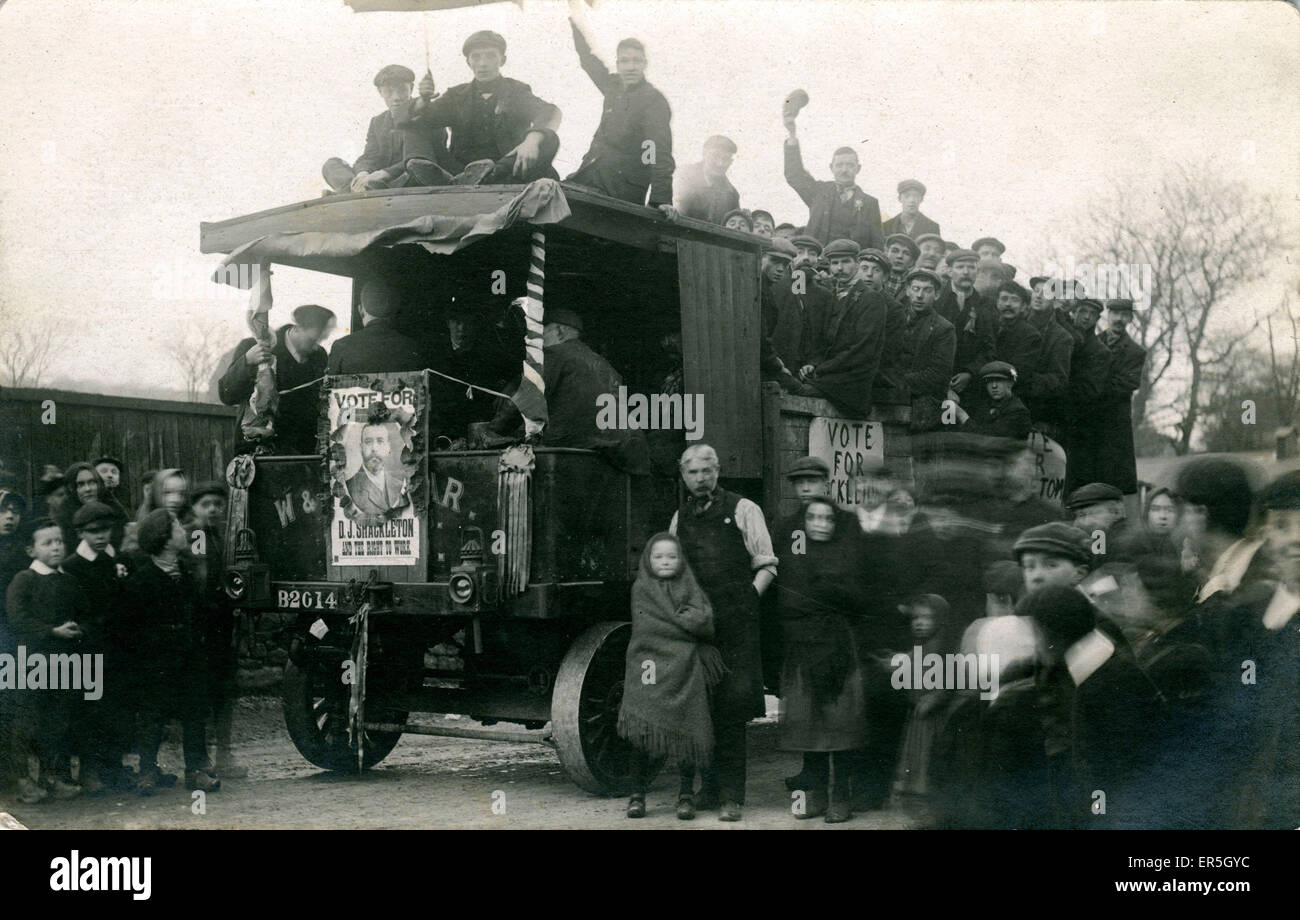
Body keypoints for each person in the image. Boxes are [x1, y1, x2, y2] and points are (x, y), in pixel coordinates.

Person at [669, 444, 776, 821]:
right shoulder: (679, 518)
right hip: (697, 631)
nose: (700, 479)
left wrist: (748, 598)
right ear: (684, 476)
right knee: (701, 710)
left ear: (717, 472)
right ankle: (708, 789)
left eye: (706, 471)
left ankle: (732, 796)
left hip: (735, 628)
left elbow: (766, 565)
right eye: (693, 473)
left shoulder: (744, 510)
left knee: (731, 710)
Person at [617, 532, 725, 820]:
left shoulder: (689, 585)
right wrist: (683, 622)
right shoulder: (642, 588)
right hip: (648, 664)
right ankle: (637, 794)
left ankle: (686, 794)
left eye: (672, 556)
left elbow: (705, 619)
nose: (665, 562)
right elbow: (650, 628)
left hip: (683, 667)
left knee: (686, 731)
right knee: (642, 730)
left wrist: (682, 623)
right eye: (658, 556)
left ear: (681, 560)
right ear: (648, 561)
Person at [775, 497, 870, 823]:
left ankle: (840, 796)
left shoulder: (848, 555)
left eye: (826, 518)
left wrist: (825, 592)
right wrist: (827, 593)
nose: (819, 523)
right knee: (810, 726)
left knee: (839, 725)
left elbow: (858, 600)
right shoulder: (795, 556)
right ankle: (814, 795)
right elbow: (787, 599)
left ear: (834, 524)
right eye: (812, 517)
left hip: (839, 649)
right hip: (803, 649)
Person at [124, 510, 221, 794]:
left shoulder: (186, 574)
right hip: (157, 663)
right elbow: (130, 627)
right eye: (177, 526)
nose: (183, 530)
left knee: (194, 714)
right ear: (165, 539)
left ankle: (195, 769)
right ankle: (147, 770)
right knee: (153, 717)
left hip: (189, 659)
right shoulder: (141, 581)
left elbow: (198, 611)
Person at [401, 30, 562, 186]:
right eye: (476, 57)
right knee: (413, 125)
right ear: (468, 62)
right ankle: (436, 175)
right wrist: (423, 101)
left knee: (548, 139)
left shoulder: (517, 91)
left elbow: (550, 111)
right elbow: (410, 122)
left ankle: (488, 178)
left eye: (491, 55)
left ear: (502, 60)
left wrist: (532, 140)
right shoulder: (456, 95)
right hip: (459, 171)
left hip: (507, 171)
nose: (483, 63)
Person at [5, 518, 86, 801]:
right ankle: (22, 779)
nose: (55, 547)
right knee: (27, 722)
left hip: (64, 663)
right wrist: (52, 631)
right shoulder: (24, 580)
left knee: (58, 720)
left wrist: (79, 629)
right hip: (30, 663)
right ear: (31, 550)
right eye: (47, 543)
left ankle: (52, 776)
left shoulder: (69, 581)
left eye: (59, 541)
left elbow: (83, 613)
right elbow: (17, 618)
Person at [565, 6, 674, 210]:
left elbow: (656, 152)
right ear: (617, 64)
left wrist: (661, 200)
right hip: (590, 176)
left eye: (636, 61)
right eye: (624, 61)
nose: (630, 67)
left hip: (622, 189)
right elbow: (588, 60)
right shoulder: (612, 87)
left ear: (645, 64)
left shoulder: (652, 101)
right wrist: (575, 16)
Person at [59, 501, 132, 795]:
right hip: (87, 649)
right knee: (90, 711)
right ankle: (90, 770)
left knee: (116, 710)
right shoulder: (72, 567)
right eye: (93, 531)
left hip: (115, 648)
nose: (101, 536)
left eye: (106, 530)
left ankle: (114, 768)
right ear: (80, 533)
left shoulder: (115, 561)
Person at [220, 303, 336, 456]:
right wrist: (247, 361)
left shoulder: (320, 356)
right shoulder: (255, 347)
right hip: (257, 451)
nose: (316, 347)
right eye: (313, 340)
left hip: (301, 455)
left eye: (321, 340)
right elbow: (226, 395)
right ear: (298, 328)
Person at [186, 482, 245, 780]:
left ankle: (224, 752)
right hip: (202, 623)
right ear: (194, 508)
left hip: (221, 622)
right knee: (203, 691)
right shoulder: (196, 535)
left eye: (217, 505)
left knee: (224, 689)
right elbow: (201, 579)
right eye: (205, 504)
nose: (212, 509)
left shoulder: (221, 535)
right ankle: (204, 757)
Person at [793, 238, 891, 417]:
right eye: (834, 263)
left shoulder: (871, 299)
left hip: (852, 382)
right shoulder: (831, 296)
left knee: (799, 390)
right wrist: (813, 364)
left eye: (846, 262)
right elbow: (823, 342)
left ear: (857, 264)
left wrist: (822, 370)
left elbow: (863, 350)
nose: (840, 268)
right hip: (830, 375)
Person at [321, 65, 451, 194]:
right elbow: (370, 156)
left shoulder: (425, 113)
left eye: (401, 90)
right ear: (380, 92)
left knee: (415, 171)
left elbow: (424, 159)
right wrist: (362, 174)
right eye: (389, 91)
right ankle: (358, 188)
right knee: (331, 165)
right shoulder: (377, 122)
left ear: (411, 88)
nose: (396, 97)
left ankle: (350, 192)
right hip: (378, 180)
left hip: (408, 177)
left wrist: (385, 173)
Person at [782, 108, 884, 251]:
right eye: (839, 165)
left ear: (858, 168)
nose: (844, 170)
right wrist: (792, 134)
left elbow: (877, 246)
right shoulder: (818, 192)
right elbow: (794, 175)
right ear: (831, 167)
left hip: (851, 268)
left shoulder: (870, 204)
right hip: (817, 263)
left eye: (849, 165)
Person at [890, 268, 956, 433]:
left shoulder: (944, 328)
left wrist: (898, 382)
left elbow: (938, 374)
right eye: (915, 288)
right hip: (888, 395)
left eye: (927, 290)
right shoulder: (892, 318)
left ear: (937, 295)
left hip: (921, 401)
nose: (920, 295)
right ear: (907, 291)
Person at [1062, 298, 1114, 494]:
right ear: (1074, 312)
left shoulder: (1100, 352)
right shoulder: (1064, 338)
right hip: (1059, 419)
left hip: (1080, 425)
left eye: (1091, 314)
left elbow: (1089, 391)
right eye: (1082, 311)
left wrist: (1058, 390)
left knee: (1073, 479)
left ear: (1097, 318)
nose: (1086, 317)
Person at [1096, 299, 1146, 497]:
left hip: (1115, 422)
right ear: (1107, 315)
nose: (1118, 319)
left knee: (1113, 478)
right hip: (1089, 419)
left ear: (1130, 318)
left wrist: (1094, 386)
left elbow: (1127, 383)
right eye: (1115, 313)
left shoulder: (1136, 352)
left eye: (1124, 315)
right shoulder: (1091, 343)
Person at [935, 249, 996, 404]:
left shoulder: (984, 305)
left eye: (971, 267)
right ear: (949, 271)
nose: (966, 272)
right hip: (934, 381)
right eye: (960, 267)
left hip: (967, 386)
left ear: (977, 272)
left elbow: (989, 349)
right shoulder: (936, 298)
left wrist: (970, 373)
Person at [326, 281, 424, 375]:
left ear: (361, 310)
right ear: (395, 312)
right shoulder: (412, 347)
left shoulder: (341, 346)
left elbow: (328, 389)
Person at [1022, 277, 1074, 438]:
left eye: (1045, 293)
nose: (1038, 296)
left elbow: (1057, 381)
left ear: (1055, 301)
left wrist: (1024, 380)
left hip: (1036, 413)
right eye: (1036, 291)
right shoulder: (1015, 323)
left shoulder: (1062, 337)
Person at [672, 135, 740, 224]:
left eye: (726, 159)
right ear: (704, 153)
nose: (720, 163)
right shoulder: (684, 176)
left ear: (731, 162)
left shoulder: (732, 194)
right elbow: (675, 211)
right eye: (715, 156)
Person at [960, 361, 1031, 441]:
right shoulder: (986, 405)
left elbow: (987, 440)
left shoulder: (1018, 412)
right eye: (989, 381)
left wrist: (961, 415)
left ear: (1010, 383)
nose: (994, 386)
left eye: (999, 380)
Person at [345, 423, 406, 517]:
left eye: (380, 441)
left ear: (388, 447)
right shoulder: (350, 487)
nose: (374, 448)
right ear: (361, 448)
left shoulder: (398, 485)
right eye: (368, 442)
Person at [57, 462, 107, 553]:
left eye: (92, 482)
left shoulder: (112, 510)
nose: (88, 489)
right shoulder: (64, 519)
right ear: (71, 488)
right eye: (81, 484)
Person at [882, 233, 919, 301]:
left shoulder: (914, 284)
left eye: (906, 253)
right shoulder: (875, 277)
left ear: (912, 261)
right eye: (895, 251)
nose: (900, 256)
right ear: (886, 253)